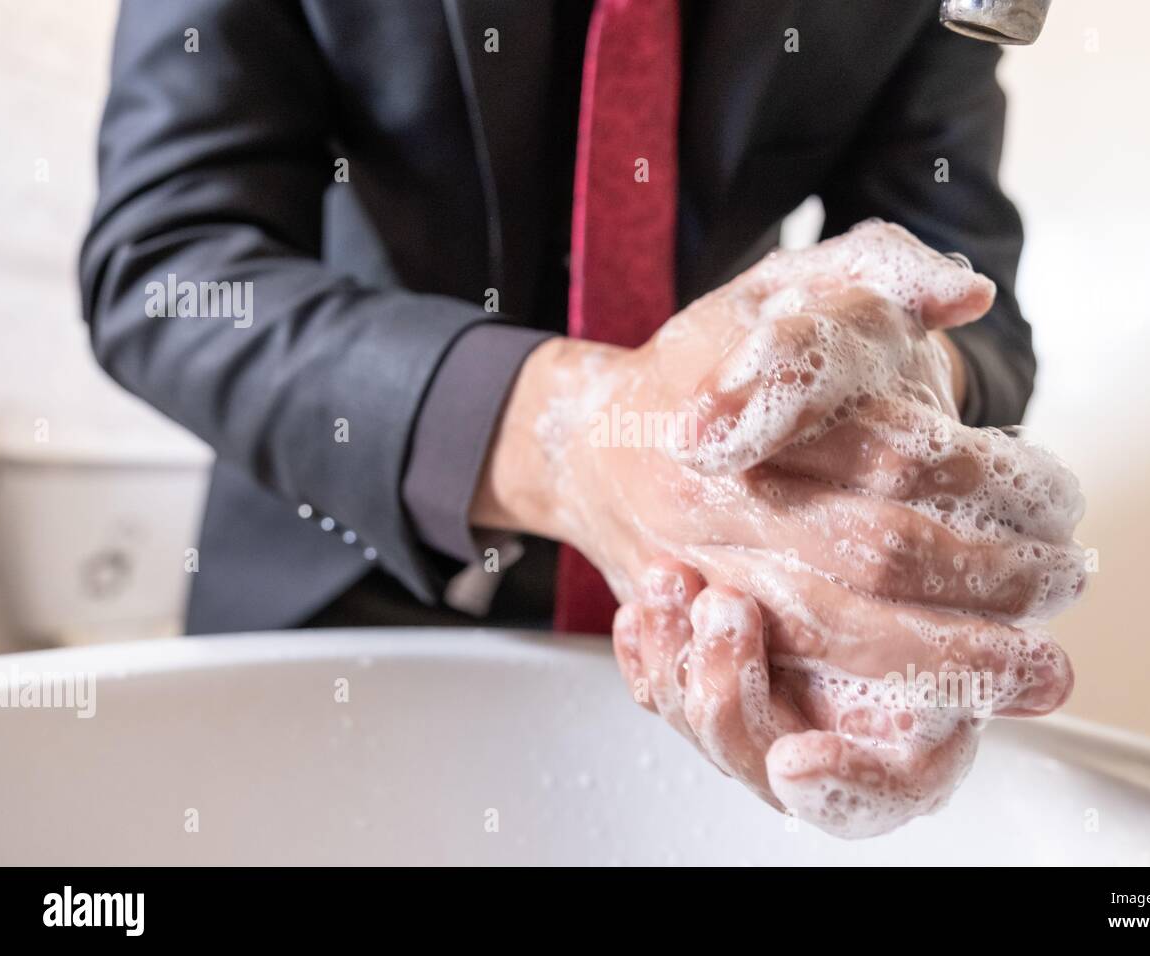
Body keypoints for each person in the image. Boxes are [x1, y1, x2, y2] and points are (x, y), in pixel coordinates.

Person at [80, 0, 1084, 835]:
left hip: (709, 614)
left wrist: (879, 417)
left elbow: (971, 299)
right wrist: (581, 439)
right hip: (327, 584)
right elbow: (164, 264)